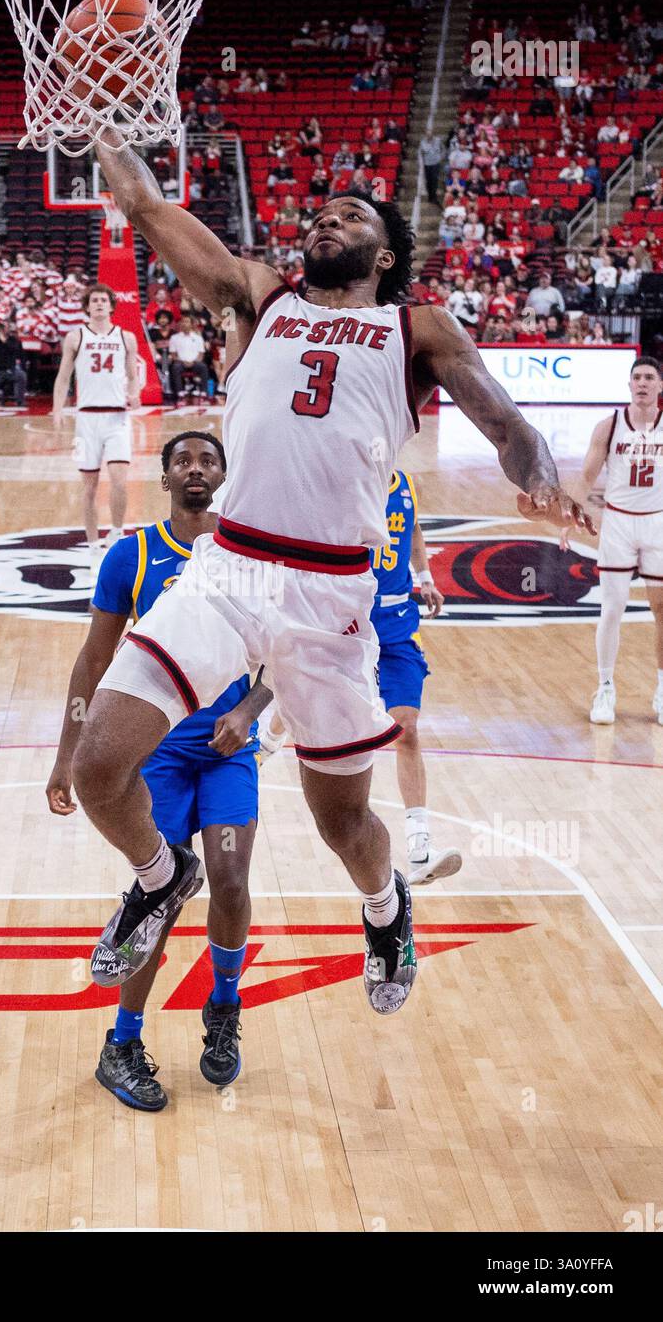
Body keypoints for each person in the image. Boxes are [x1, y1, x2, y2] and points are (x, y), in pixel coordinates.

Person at [68, 132, 591, 1026]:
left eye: (347, 215)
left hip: (330, 593)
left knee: (342, 823)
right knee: (97, 765)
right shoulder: (262, 294)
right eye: (318, 213)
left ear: (382, 253)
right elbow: (151, 211)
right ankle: (161, 878)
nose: (325, 221)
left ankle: (386, 910)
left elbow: (507, 422)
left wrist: (538, 473)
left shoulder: (415, 327)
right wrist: (103, 132)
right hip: (229, 568)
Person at [47, 433, 271, 1109]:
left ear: (224, 478)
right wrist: (68, 753)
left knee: (230, 881)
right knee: (161, 901)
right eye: (184, 461)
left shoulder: (248, 559)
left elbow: (285, 657)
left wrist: (252, 710)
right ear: (166, 477)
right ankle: (122, 1042)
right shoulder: (132, 556)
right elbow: (93, 662)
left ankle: (223, 1011)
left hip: (232, 750)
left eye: (209, 460)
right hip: (163, 756)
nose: (197, 468)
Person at [260, 470, 463, 887]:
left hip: (398, 623)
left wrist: (424, 577)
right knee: (304, 693)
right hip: (351, 618)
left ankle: (420, 846)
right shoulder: (342, 483)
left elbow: (414, 530)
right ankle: (263, 745)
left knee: (406, 729)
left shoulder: (404, 483)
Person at [562, 358, 663, 726]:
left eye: (649, 377)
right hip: (619, 523)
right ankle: (605, 687)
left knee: (662, 610)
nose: (642, 383)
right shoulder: (609, 426)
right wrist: (569, 516)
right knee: (612, 607)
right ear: (629, 384)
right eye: (636, 377)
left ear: (660, 386)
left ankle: (662, 689)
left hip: (658, 523)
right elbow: (587, 476)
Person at [52, 283, 140, 568]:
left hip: (117, 418)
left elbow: (132, 375)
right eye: (95, 300)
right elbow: (64, 377)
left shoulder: (126, 337)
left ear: (112, 305)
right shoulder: (75, 336)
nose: (100, 304)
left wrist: (135, 392)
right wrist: (57, 409)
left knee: (119, 479)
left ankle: (116, 532)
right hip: (86, 420)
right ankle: (91, 543)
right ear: (87, 306)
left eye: (104, 299)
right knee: (88, 487)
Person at [168, 315, 209, 402]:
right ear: (179, 324)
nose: (184, 324)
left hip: (195, 362)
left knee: (203, 366)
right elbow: (173, 354)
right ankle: (180, 392)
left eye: (187, 321)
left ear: (191, 324)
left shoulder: (198, 338)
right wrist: (183, 361)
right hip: (181, 362)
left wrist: (194, 361)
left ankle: (203, 392)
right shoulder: (174, 338)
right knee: (175, 367)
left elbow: (201, 354)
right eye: (182, 322)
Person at [0, 320, 26, 405]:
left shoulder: (14, 340)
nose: (4, 329)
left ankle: (20, 400)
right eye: (2, 327)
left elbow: (13, 350)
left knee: (21, 375)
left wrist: (4, 341)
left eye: (6, 327)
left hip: (11, 368)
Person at [418, 132, 445, 205]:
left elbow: (443, 149)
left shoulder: (438, 141)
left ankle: (434, 197)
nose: (429, 136)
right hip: (427, 164)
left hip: (436, 163)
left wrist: (441, 158)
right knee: (428, 181)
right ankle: (430, 196)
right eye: (427, 135)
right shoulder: (423, 142)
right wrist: (421, 163)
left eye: (430, 135)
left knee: (434, 180)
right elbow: (420, 153)